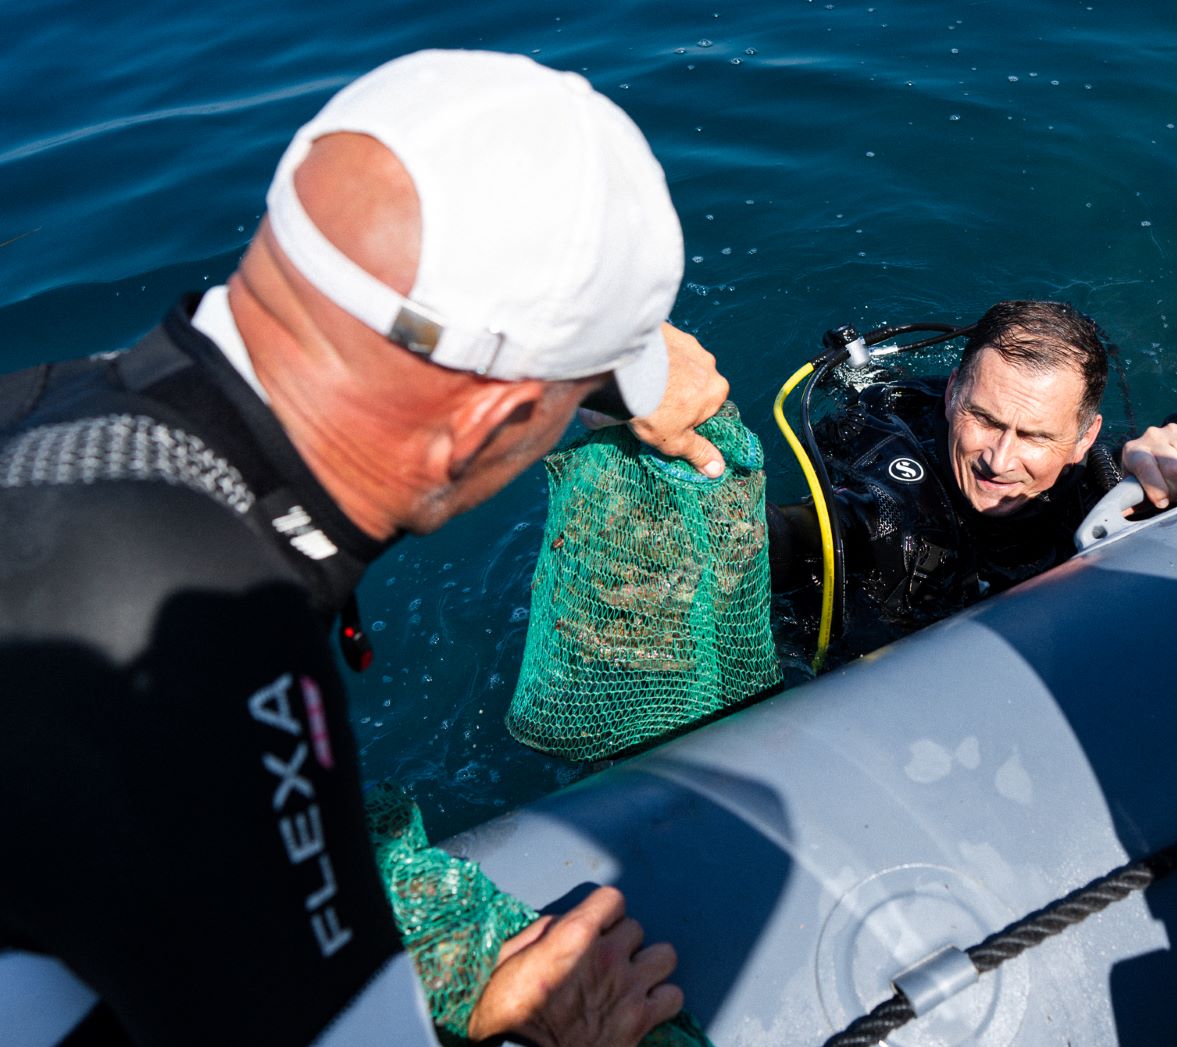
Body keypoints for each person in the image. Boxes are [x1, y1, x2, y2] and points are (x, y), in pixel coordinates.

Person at [0, 50, 727, 1047]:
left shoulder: (48, 410)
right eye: (570, 405)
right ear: (487, 425)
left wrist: (602, 380)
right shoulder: (213, 660)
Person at [768, 299, 1177, 652]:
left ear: (1086, 438)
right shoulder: (893, 488)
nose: (1000, 460)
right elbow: (805, 530)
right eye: (984, 420)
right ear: (952, 397)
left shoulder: (1107, 478)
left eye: (1035, 436)